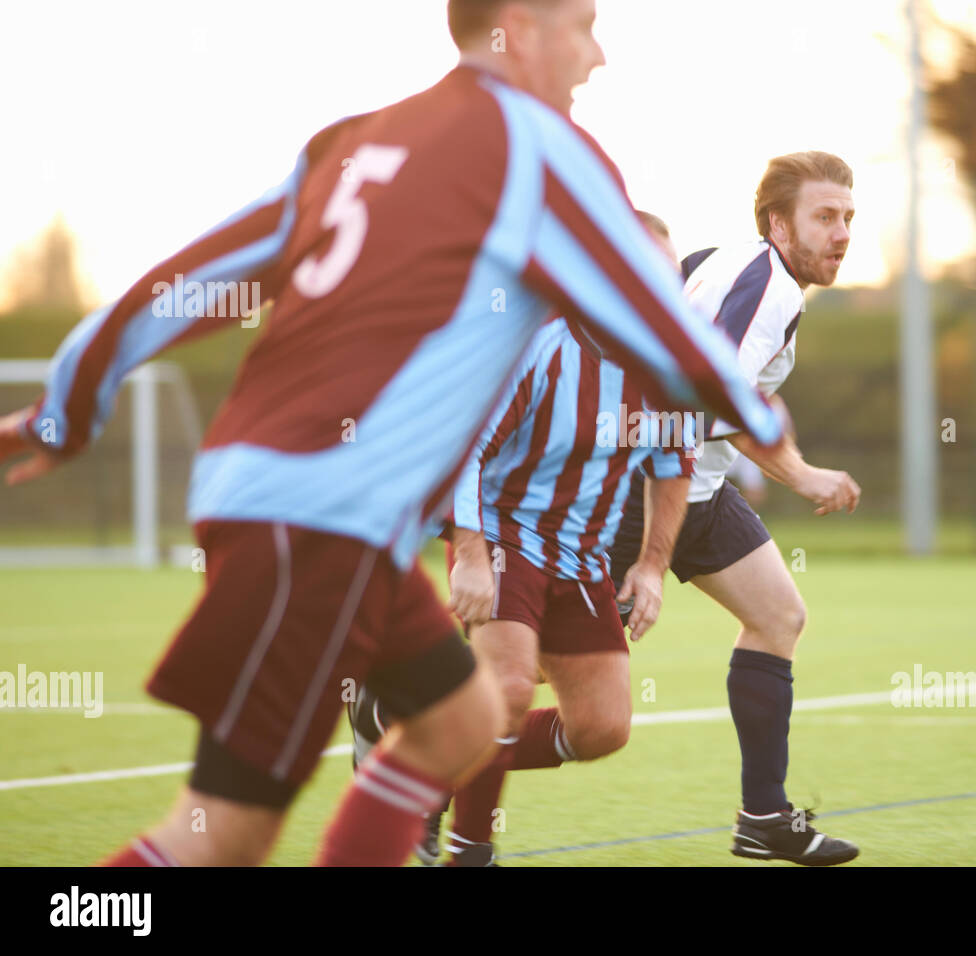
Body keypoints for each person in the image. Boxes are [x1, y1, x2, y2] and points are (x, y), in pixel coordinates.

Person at [0, 0, 780, 867]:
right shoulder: (545, 148)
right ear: (518, 26)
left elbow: (191, 279)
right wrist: (768, 427)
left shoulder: (351, 141)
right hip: (319, 517)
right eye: (585, 25)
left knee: (464, 722)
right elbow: (663, 327)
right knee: (219, 837)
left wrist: (65, 407)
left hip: (292, 501)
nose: (598, 56)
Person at [351, 213, 693, 867]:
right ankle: (469, 851)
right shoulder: (540, 344)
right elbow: (464, 450)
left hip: (581, 554)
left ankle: (406, 735)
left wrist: (652, 566)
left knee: (601, 729)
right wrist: (472, 557)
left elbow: (674, 467)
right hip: (502, 534)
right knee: (507, 690)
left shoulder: (671, 370)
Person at [609, 151, 862, 866]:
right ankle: (410, 706)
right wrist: (802, 474)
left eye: (847, 218)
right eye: (823, 218)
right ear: (778, 225)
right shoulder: (766, 289)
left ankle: (764, 819)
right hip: (640, 491)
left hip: (697, 488)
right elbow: (706, 400)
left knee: (778, 616)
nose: (841, 233)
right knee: (552, 665)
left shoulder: (743, 269)